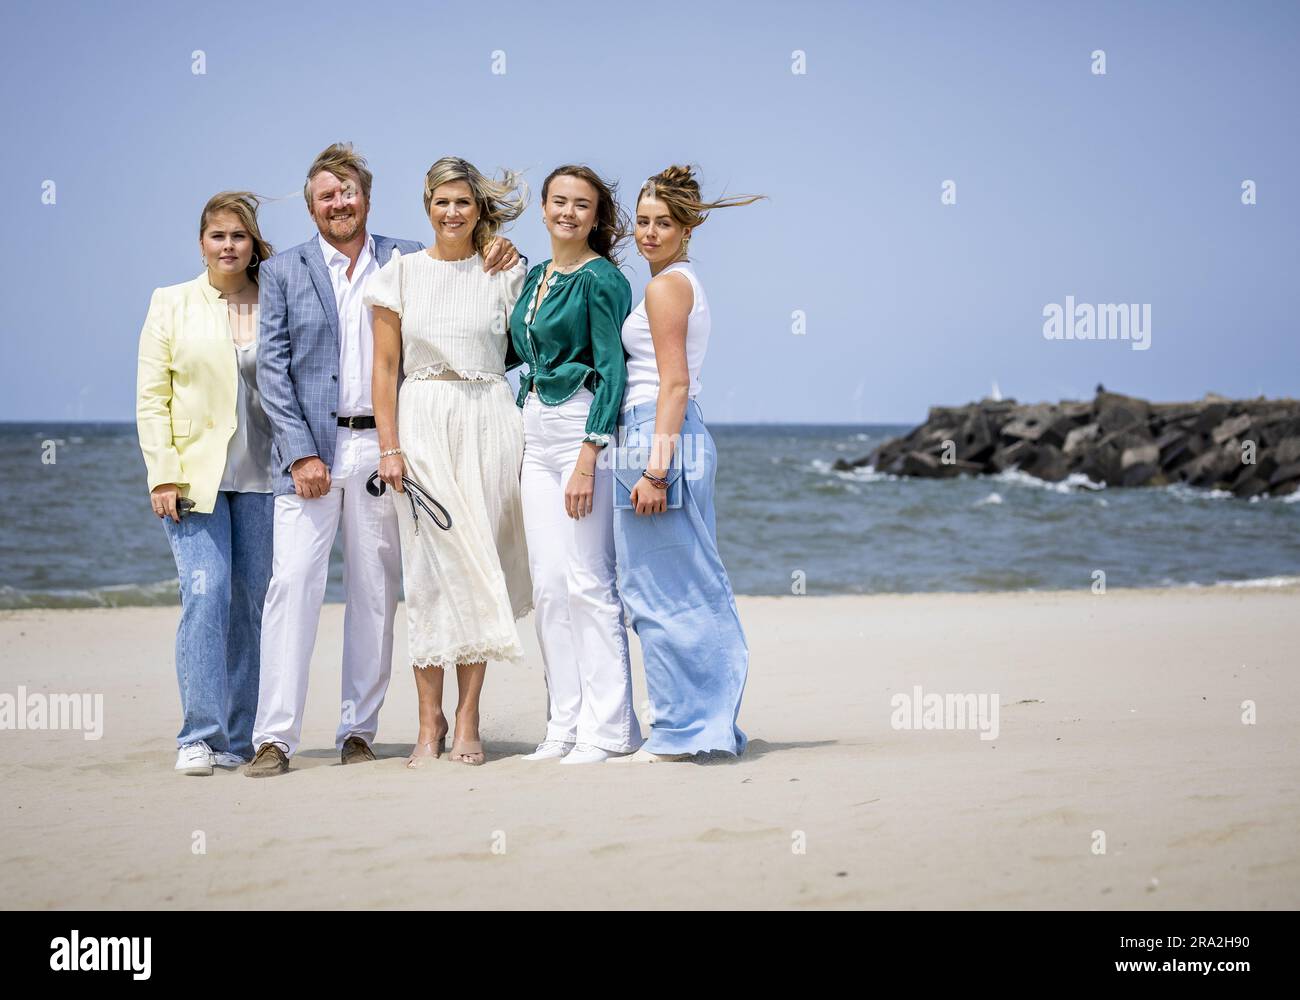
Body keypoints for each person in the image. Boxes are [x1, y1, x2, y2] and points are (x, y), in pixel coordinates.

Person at [246, 143, 519, 777]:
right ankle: (275, 737)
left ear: (367, 196)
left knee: (377, 589)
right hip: (311, 454)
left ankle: (358, 730)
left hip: (386, 444)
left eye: (348, 191)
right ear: (312, 205)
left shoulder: (401, 258)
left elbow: (467, 268)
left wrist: (503, 246)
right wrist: (301, 454)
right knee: (292, 586)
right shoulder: (284, 271)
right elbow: (274, 374)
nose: (338, 203)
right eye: (325, 195)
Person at [367, 156, 532, 767]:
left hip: (489, 416)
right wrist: (389, 446)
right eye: (442, 202)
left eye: (464, 202)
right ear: (427, 206)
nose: (453, 212)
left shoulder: (505, 273)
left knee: (477, 560)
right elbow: (385, 369)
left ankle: (468, 717)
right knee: (432, 572)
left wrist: (505, 250)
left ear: (478, 208)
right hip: (424, 418)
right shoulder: (399, 274)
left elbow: (530, 348)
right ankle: (427, 722)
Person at [610, 166, 764, 762]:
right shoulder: (681, 280)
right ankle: (704, 724)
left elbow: (672, 383)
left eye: (663, 223)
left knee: (659, 591)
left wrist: (653, 471)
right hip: (674, 432)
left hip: (659, 432)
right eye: (643, 221)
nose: (649, 232)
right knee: (682, 585)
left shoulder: (665, 287)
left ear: (687, 227)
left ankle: (682, 731)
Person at [136, 191, 276, 776]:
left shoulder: (277, 298)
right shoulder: (170, 303)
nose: (228, 246)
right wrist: (162, 474)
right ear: (202, 243)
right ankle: (198, 734)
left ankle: (237, 740)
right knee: (206, 594)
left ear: (252, 244)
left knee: (249, 607)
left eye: (238, 236)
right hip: (195, 479)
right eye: (218, 236)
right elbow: (152, 397)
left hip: (266, 476)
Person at [509, 165, 641, 764]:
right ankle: (564, 723)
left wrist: (590, 454)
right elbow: (513, 351)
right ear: (542, 208)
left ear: (594, 216)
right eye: (558, 201)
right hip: (533, 437)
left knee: (590, 583)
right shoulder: (534, 276)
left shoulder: (603, 280)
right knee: (549, 587)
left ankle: (609, 730)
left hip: (580, 432)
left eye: (580, 205)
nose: (568, 212)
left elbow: (612, 369)